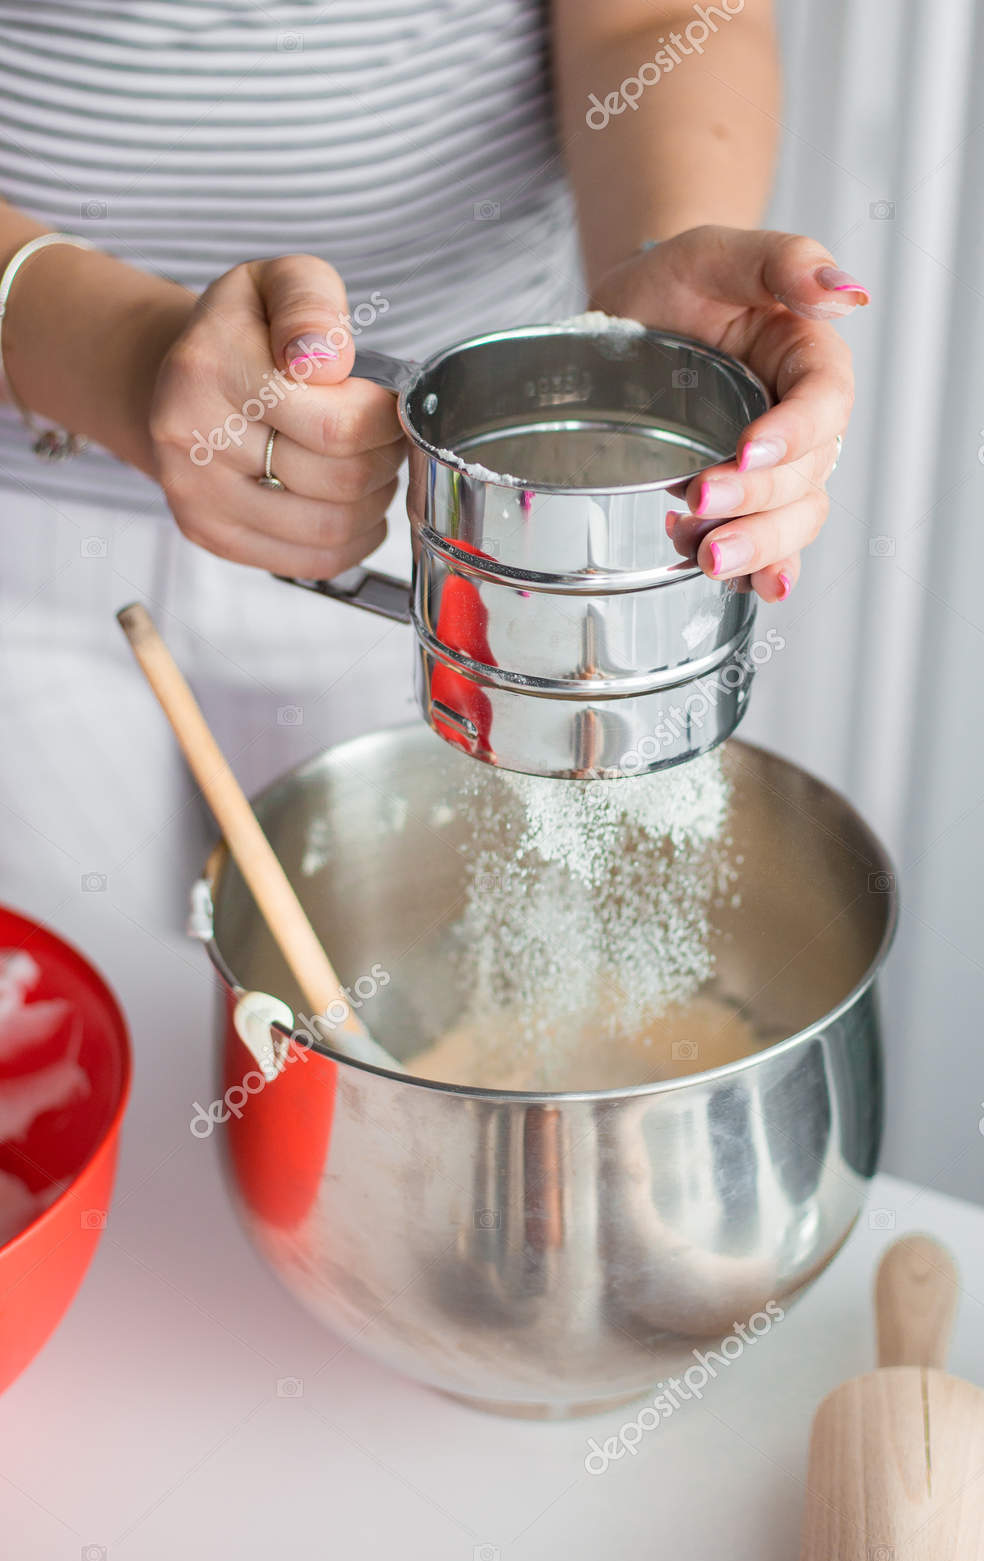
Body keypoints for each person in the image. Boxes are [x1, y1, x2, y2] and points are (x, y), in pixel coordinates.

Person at [0, 0, 866, 934]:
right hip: (27, 538)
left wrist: (660, 330)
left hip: (482, 528)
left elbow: (655, 19)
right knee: (89, 1037)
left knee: (425, 1021)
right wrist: (116, 356)